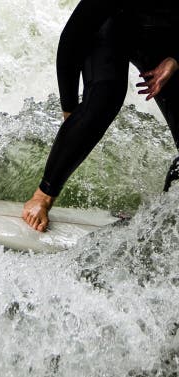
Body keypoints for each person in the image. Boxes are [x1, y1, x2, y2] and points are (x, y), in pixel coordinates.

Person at [22, 0, 179, 232]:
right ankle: (42, 196)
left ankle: (168, 212)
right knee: (105, 96)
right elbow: (72, 38)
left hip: (166, 39)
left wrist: (175, 60)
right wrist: (71, 111)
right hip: (112, 25)